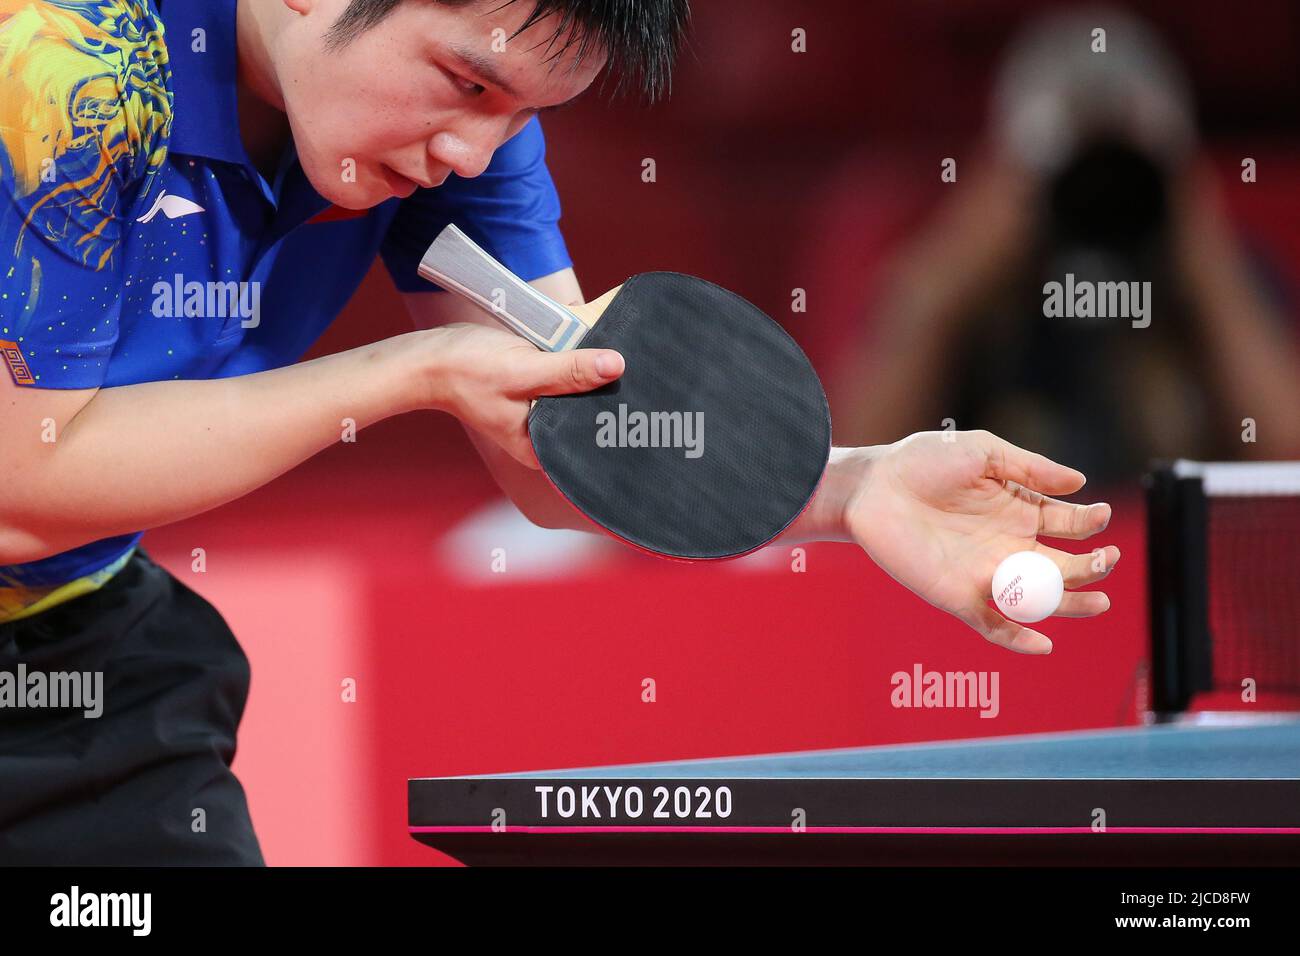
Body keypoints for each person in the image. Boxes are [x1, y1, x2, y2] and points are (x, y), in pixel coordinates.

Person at [0, 0, 1118, 865]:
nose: (480, 152)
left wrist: (844, 488)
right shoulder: (62, 69)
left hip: (87, 653)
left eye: (521, 112)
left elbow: (565, 439)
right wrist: (413, 369)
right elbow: (18, 481)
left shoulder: (456, 140)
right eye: (466, 81)